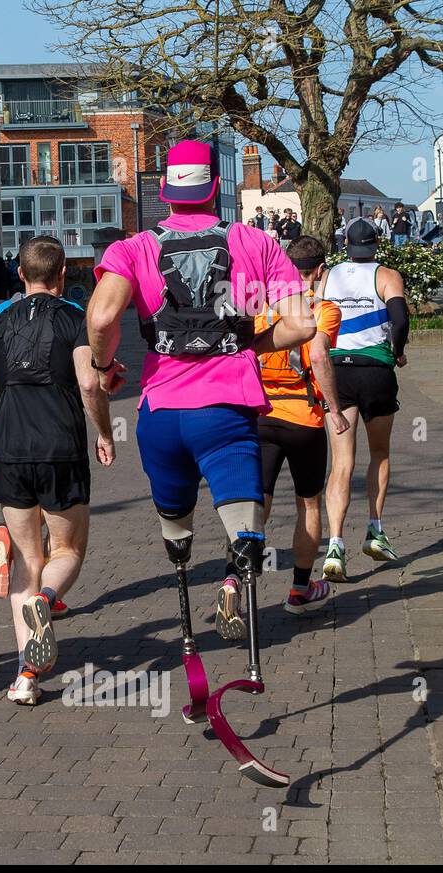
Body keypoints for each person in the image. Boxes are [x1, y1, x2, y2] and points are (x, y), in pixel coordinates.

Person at [85, 140, 315, 717]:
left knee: (176, 525)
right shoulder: (253, 242)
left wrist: (103, 365)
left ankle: (186, 590)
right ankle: (238, 576)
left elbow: (103, 316)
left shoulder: (134, 247)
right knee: (244, 519)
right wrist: (251, 342)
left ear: (165, 192)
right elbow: (303, 322)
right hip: (228, 407)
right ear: (216, 188)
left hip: (161, 412)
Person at [0, 236, 115, 705]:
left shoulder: (0, 321)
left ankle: (24, 677)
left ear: (20, 274)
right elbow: (88, 382)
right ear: (63, 275)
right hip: (59, 448)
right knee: (68, 550)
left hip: (9, 449)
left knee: (25, 561)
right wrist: (104, 433)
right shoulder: (75, 320)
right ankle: (48, 599)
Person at [255, 236, 350, 614]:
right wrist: (335, 408)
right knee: (308, 504)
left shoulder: (260, 308)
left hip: (261, 416)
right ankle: (299, 589)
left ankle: (234, 575)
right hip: (304, 418)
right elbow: (320, 354)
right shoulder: (324, 309)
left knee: (254, 502)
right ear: (320, 271)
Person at [322, 219, 410, 581]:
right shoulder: (387, 275)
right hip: (375, 371)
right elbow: (400, 320)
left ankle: (334, 548)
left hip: (336, 370)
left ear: (346, 245)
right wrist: (398, 351)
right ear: (376, 245)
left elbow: (315, 318)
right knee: (380, 454)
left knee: (341, 462)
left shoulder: (328, 276)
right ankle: (375, 531)